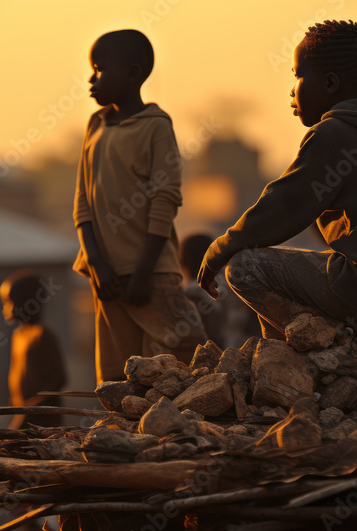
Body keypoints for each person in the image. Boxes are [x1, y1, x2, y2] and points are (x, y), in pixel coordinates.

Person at [197, 20, 357, 339]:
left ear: (331, 83)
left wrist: (219, 249)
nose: (292, 90)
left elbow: (280, 208)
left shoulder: (332, 134)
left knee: (244, 266)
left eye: (298, 76)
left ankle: (306, 346)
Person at [73, 29, 206, 383]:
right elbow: (82, 204)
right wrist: (97, 264)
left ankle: (190, 430)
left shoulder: (156, 127)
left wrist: (144, 271)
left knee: (188, 354)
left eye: (99, 69)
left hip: (150, 272)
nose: (91, 79)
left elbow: (165, 199)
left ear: (133, 74)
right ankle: (126, 435)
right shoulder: (95, 126)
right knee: (118, 373)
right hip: (106, 277)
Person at [0, 271, 67, 429]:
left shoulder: (42, 335)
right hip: (23, 414)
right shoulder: (18, 336)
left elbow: (59, 379)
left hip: (44, 423)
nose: (5, 308)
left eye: (10, 302)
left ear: (27, 302)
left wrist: (29, 410)